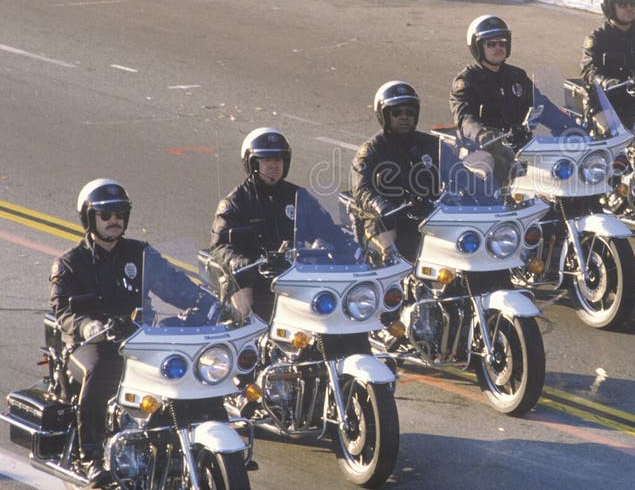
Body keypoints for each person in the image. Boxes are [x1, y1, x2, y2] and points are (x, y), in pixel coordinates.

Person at [50, 179, 204, 487]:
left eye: (120, 212)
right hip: (90, 343)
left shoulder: (140, 253)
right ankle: (90, 454)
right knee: (102, 369)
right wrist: (88, 326)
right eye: (105, 214)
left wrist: (211, 303)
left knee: (183, 364)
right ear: (89, 218)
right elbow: (63, 312)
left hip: (139, 337)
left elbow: (176, 285)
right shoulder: (70, 263)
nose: (114, 220)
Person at [210, 127, 352, 322]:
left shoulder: (297, 197)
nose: (274, 166)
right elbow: (220, 246)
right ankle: (246, 344)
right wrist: (242, 263)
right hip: (253, 276)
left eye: (278, 160)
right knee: (247, 317)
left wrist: (348, 243)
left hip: (293, 272)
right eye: (267, 160)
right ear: (253, 164)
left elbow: (327, 228)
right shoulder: (236, 202)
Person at [450, 14, 573, 187]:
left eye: (502, 42)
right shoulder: (467, 81)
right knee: (494, 171)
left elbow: (543, 106)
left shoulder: (516, 76)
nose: (498, 47)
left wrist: (571, 126)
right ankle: (499, 207)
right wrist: (483, 134)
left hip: (520, 145)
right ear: (477, 47)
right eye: (491, 44)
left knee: (564, 165)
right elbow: (465, 119)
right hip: (483, 148)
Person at [351, 81, 441, 260]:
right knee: (391, 256)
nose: (404, 117)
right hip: (386, 221)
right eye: (396, 112)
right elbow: (361, 189)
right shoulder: (371, 150)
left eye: (409, 112)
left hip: (426, 215)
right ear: (384, 115)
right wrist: (381, 206)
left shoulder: (431, 145)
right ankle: (393, 281)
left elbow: (455, 171)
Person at [580, 0, 635, 131]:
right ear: (611, 7)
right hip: (609, 103)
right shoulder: (597, 38)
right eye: (623, 4)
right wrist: (612, 83)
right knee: (612, 136)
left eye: (633, 3)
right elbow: (589, 72)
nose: (629, 8)